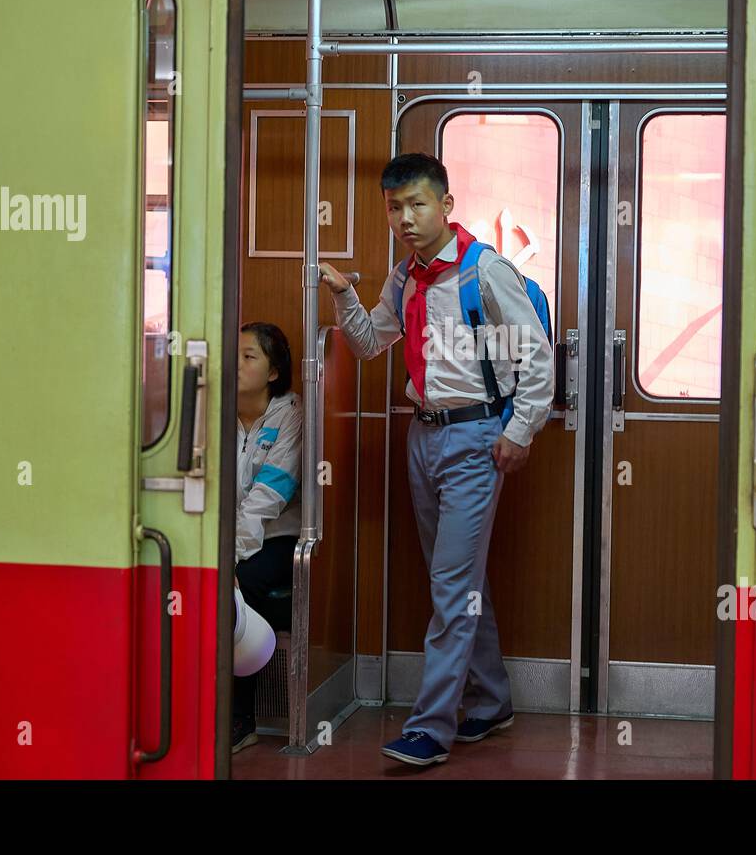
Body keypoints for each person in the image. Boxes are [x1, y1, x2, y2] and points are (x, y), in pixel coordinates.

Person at [319, 152, 553, 766]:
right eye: (395, 207)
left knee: (451, 583)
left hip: (477, 439)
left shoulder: (485, 272)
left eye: (418, 204)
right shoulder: (404, 278)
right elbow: (370, 346)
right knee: (457, 580)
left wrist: (521, 431)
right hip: (422, 436)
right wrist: (346, 296)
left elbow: (538, 357)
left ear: (446, 205)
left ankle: (431, 726)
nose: (406, 217)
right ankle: (492, 701)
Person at [232, 321, 302, 754]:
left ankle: (241, 716)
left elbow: (268, 497)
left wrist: (230, 559)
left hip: (277, 535)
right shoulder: (214, 408)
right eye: (232, 354)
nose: (235, 364)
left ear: (273, 371)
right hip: (223, 533)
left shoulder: (289, 415)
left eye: (248, 356)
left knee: (246, 581)